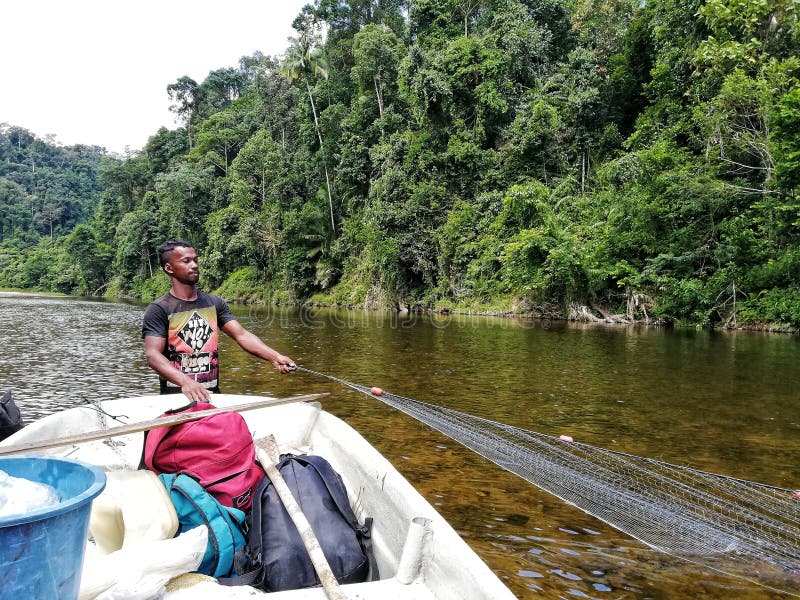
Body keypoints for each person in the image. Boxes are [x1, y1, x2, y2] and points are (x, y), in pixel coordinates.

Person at [142, 239, 295, 401]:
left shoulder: (214, 303)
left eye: (195, 260)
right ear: (169, 268)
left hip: (212, 397)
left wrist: (275, 357)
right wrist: (185, 381)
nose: (194, 265)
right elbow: (153, 355)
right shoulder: (159, 309)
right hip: (175, 399)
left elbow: (242, 335)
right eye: (186, 261)